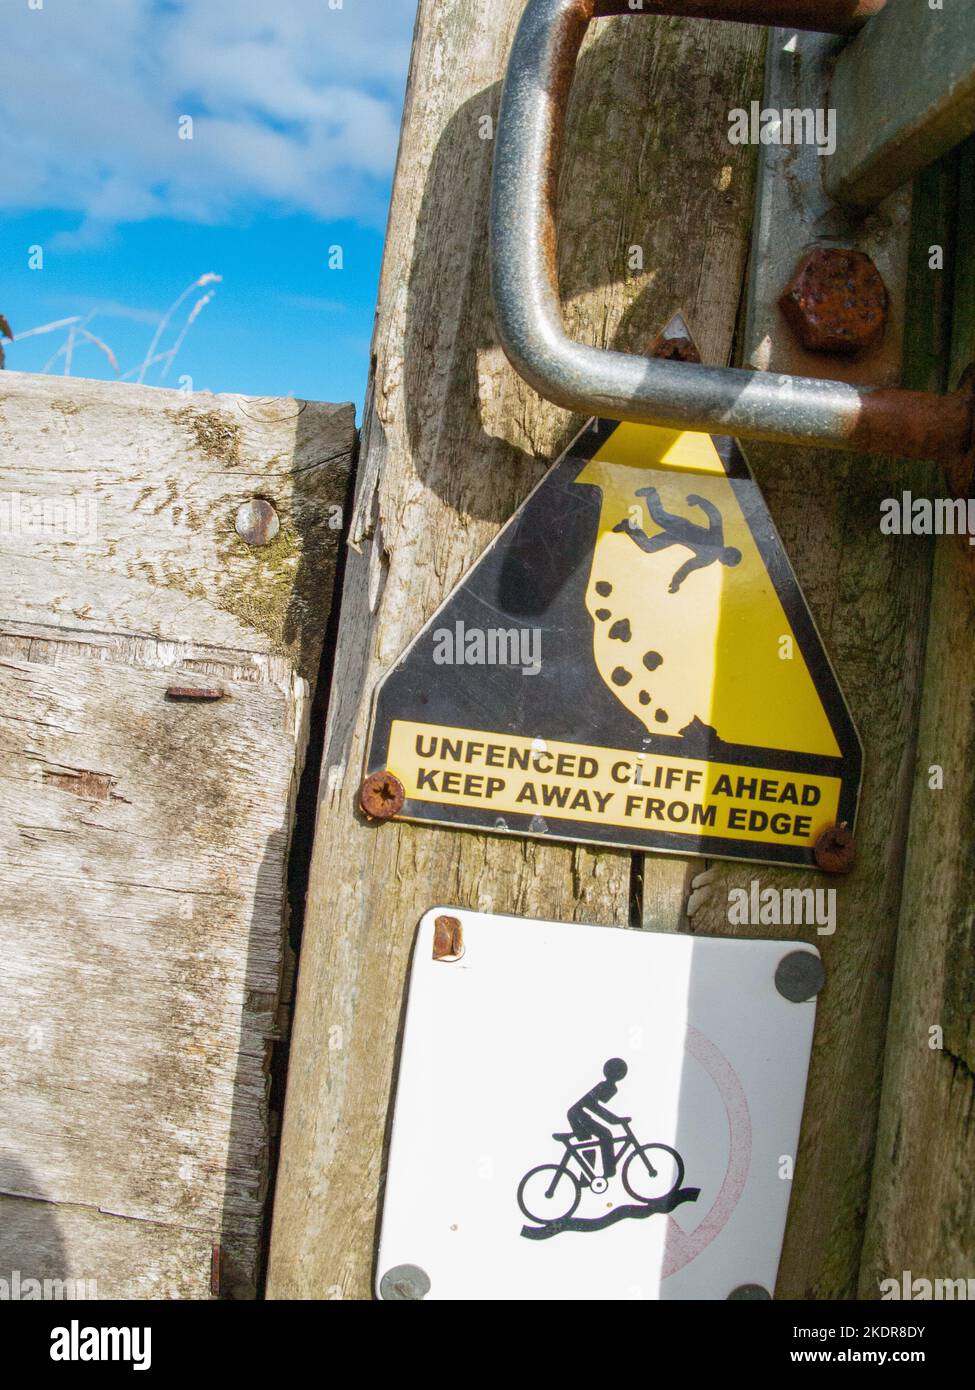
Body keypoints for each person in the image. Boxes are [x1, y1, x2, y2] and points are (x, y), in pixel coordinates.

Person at [613, 486, 742, 593]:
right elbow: (715, 517)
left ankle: (628, 525)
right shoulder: (714, 546)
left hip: (675, 536)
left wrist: (676, 582)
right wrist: (700, 501)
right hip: (681, 527)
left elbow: (687, 568)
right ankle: (651, 495)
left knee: (649, 546)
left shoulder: (710, 554)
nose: (724, 561)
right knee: (658, 518)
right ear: (725, 560)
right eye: (727, 561)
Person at [567, 1058, 628, 1179]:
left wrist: (614, 1120)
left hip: (579, 1114)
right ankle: (609, 1171)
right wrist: (614, 1120)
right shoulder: (605, 1086)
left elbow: (595, 1106)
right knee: (605, 1134)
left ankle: (586, 1180)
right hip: (577, 1114)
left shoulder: (611, 1087)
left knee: (590, 1149)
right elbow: (592, 1105)